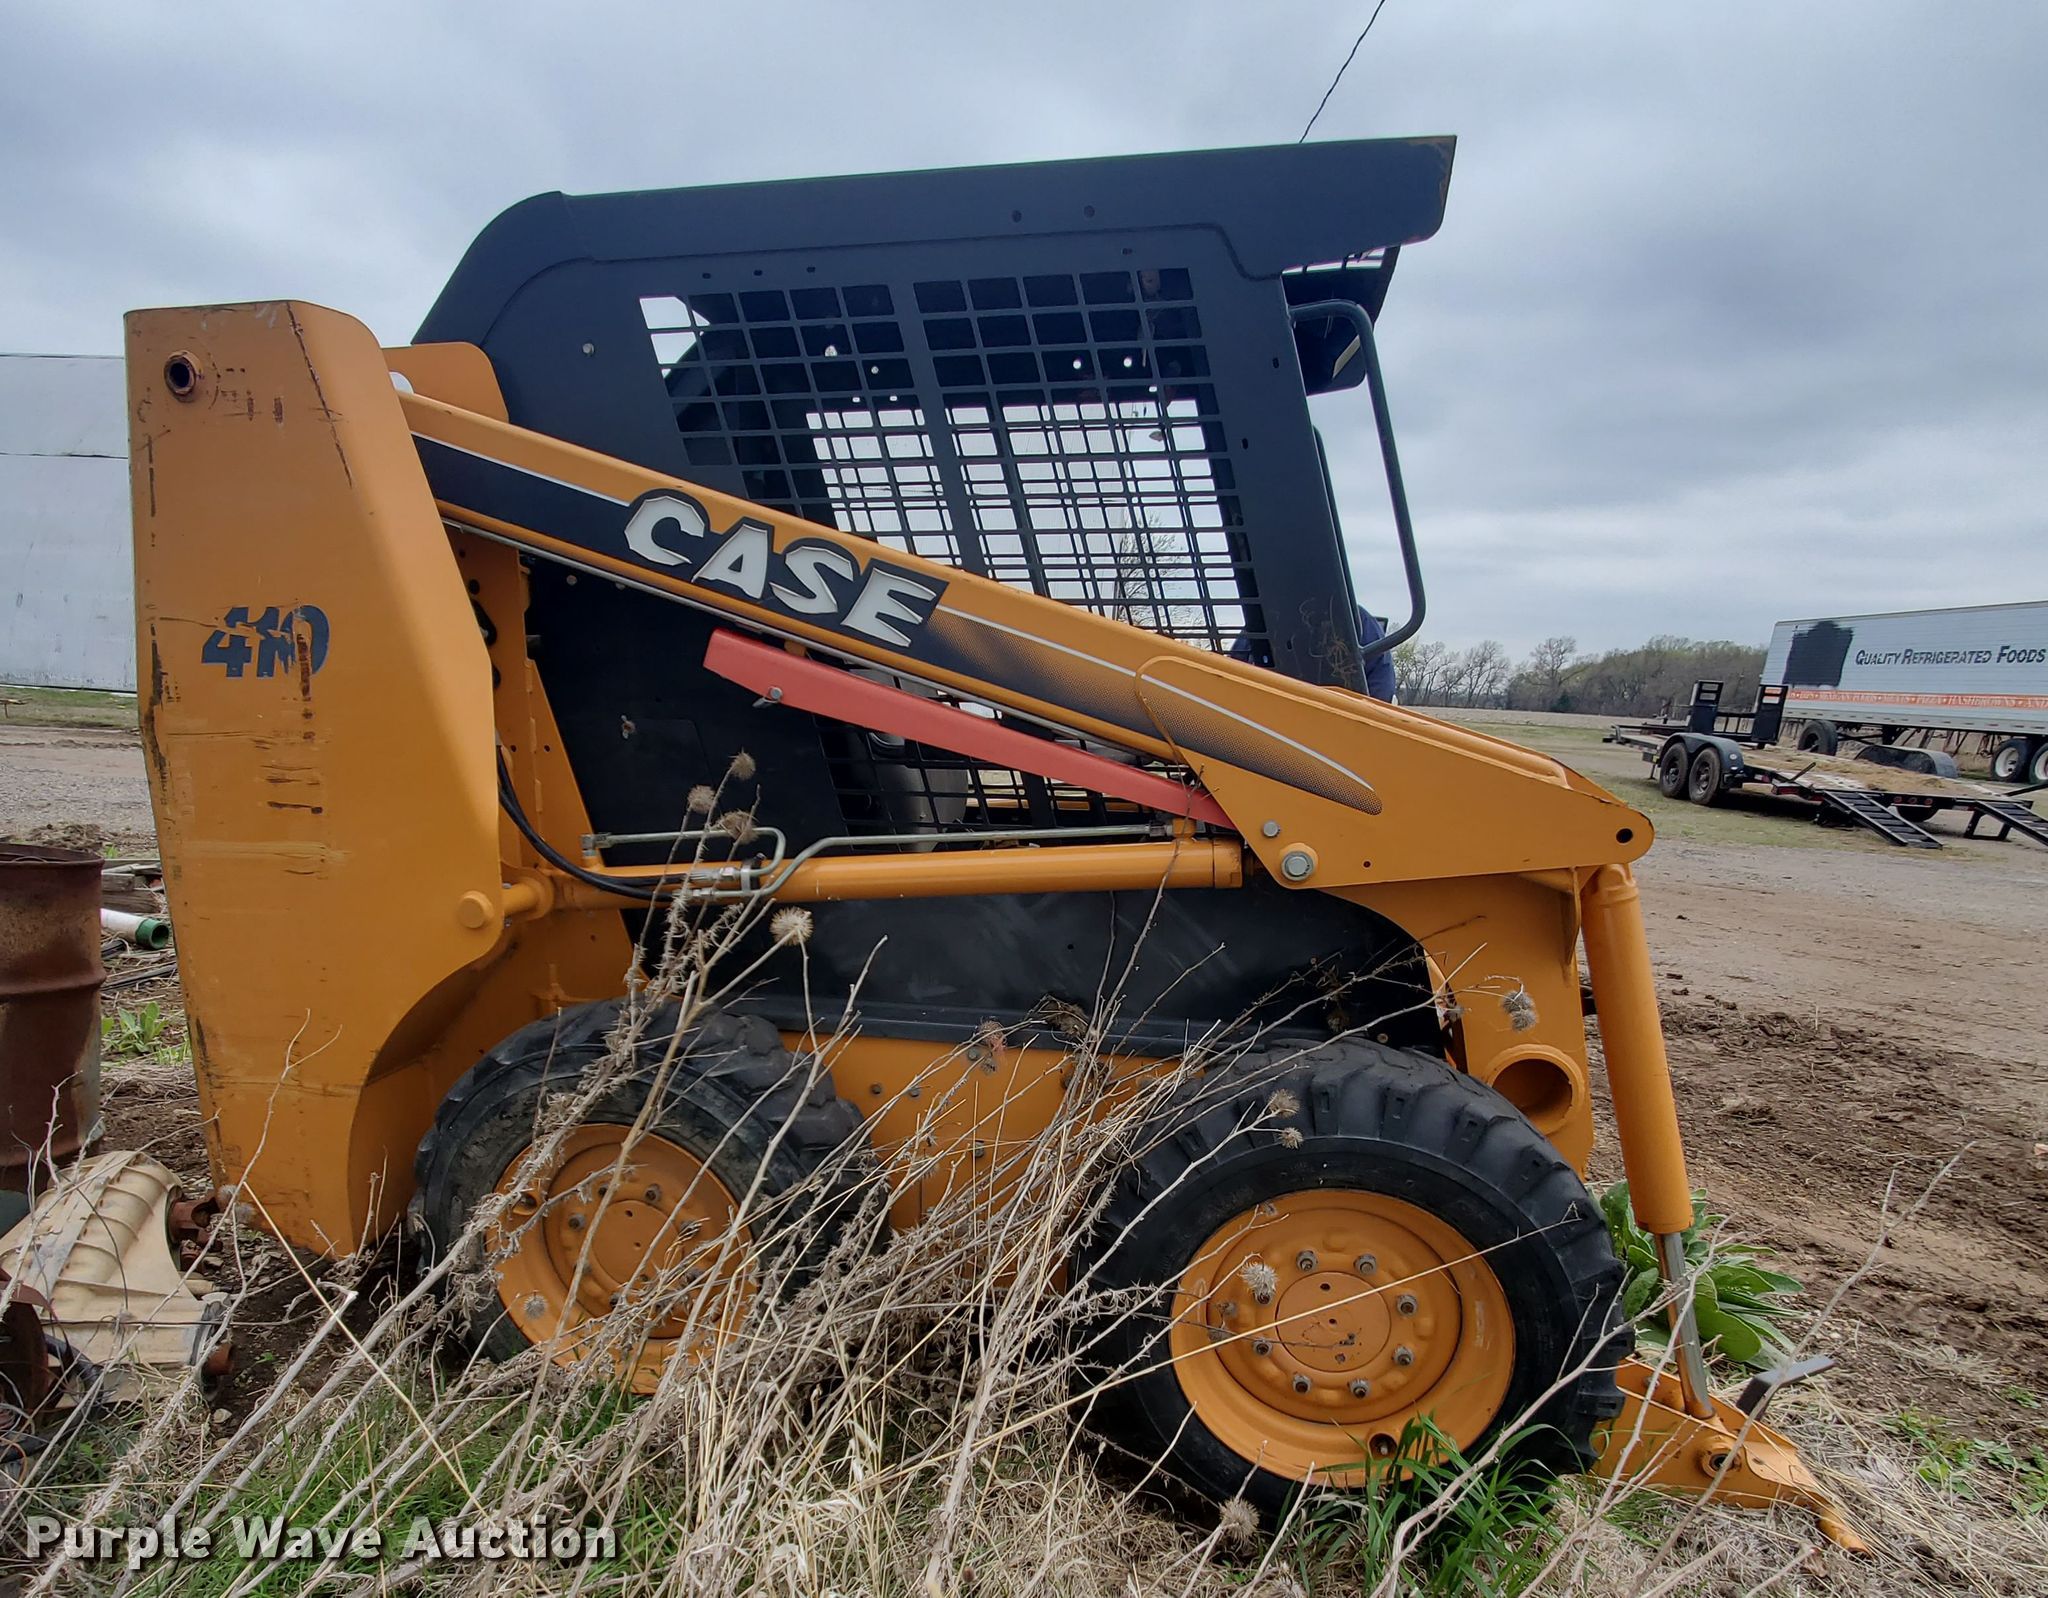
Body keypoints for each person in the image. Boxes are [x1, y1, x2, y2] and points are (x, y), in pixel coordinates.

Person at [1229, 605, 1397, 703]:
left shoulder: (1263, 618)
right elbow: (1382, 689)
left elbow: (1235, 670)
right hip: (1341, 731)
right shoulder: (1360, 622)